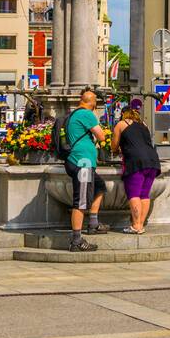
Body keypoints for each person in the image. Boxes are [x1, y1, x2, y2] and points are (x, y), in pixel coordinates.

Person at [64, 88, 106, 251]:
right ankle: (76, 241)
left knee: (100, 187)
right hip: (82, 162)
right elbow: (101, 135)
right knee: (80, 202)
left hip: (81, 162)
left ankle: (93, 222)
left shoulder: (74, 114)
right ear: (93, 103)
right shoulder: (87, 114)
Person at [111, 107, 160, 234]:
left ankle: (136, 226)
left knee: (134, 194)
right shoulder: (143, 125)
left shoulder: (121, 124)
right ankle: (140, 225)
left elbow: (114, 145)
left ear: (123, 114)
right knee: (144, 194)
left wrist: (117, 149)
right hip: (153, 161)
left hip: (135, 161)